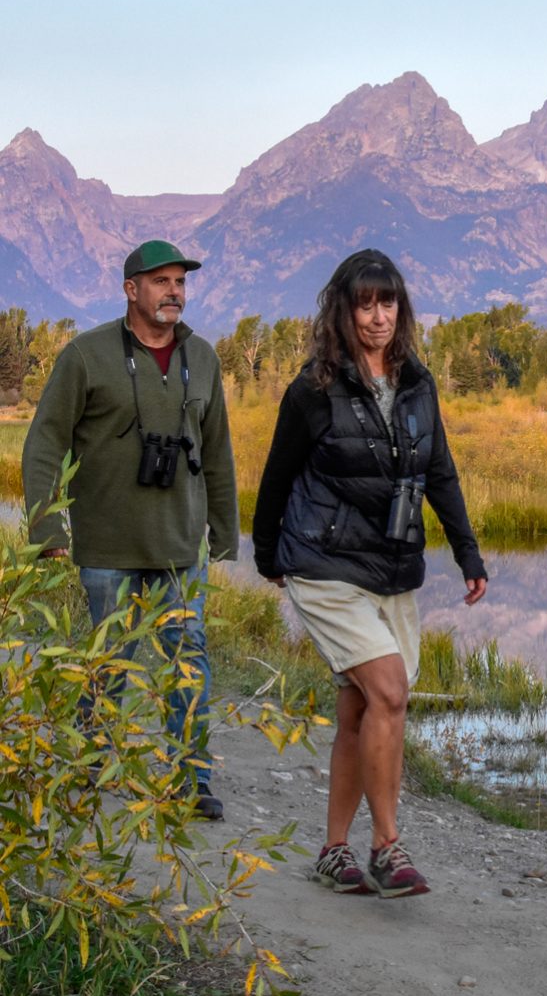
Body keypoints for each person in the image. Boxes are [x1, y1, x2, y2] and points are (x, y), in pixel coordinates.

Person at [252, 249, 487, 899]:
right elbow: (276, 477)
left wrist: (468, 553)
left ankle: (333, 851)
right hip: (324, 563)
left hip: (390, 567)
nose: (378, 317)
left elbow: (439, 471)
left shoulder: (417, 383)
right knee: (388, 691)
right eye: (366, 304)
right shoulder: (314, 390)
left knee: (361, 707)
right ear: (344, 311)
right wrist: (269, 556)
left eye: (388, 303)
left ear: (400, 311)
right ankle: (388, 846)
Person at [22, 240, 237, 821]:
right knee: (106, 664)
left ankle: (192, 779)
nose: (174, 292)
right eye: (162, 281)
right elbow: (44, 441)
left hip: (179, 547)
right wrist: (48, 526)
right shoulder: (86, 355)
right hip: (107, 545)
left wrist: (224, 528)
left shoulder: (205, 359)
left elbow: (217, 452)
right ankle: (89, 768)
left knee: (188, 659)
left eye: (180, 283)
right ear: (131, 290)